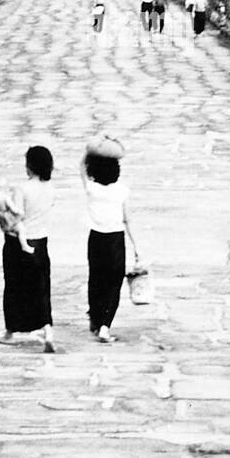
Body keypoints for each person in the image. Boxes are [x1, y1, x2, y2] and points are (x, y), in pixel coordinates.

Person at [0, 146, 55, 353]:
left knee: (13, 286)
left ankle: (10, 332)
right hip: (41, 242)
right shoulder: (50, 188)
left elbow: (17, 217)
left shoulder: (21, 189)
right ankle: (48, 331)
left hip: (18, 244)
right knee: (41, 288)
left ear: (30, 165)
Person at [80, 137, 138, 342]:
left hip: (96, 239)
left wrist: (94, 148)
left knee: (95, 280)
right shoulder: (122, 191)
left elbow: (82, 167)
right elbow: (127, 220)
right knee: (114, 283)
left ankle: (95, 320)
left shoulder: (92, 190)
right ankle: (105, 325)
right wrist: (137, 248)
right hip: (115, 240)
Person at [0, 178, 34, 254]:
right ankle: (24, 246)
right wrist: (20, 213)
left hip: (3, 224)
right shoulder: (6, 198)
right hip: (10, 220)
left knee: (10, 235)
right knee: (21, 230)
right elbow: (13, 209)